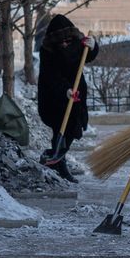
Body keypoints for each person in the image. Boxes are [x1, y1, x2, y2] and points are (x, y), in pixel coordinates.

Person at [37, 14, 98, 181]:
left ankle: (56, 158)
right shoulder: (48, 50)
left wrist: (93, 47)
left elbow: (88, 57)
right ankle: (58, 163)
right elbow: (50, 75)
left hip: (76, 93)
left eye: (67, 41)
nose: (64, 44)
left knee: (72, 128)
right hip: (54, 96)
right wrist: (65, 90)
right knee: (60, 129)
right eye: (60, 42)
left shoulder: (78, 44)